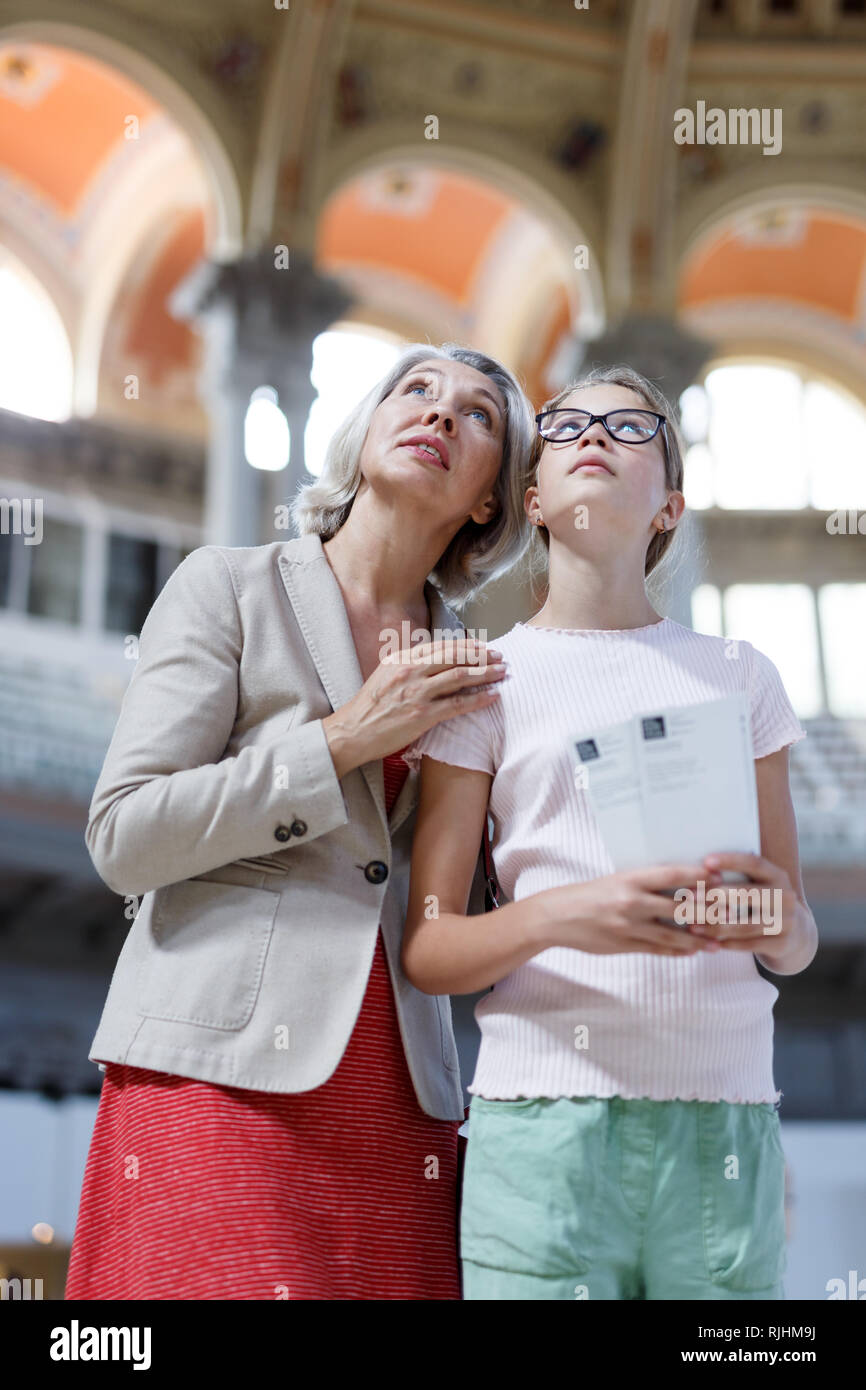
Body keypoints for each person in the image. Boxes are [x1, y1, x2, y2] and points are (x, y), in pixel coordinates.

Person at [64, 342, 536, 1300]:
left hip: (402, 1106)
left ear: (492, 499)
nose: (441, 416)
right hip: (218, 1076)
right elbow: (124, 835)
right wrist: (340, 742)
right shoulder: (227, 585)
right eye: (417, 392)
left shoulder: (479, 675)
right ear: (365, 432)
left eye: (478, 414)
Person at [400, 363, 818, 1301]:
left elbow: (796, 940)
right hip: (539, 1129)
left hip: (725, 1123)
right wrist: (571, 913)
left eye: (632, 428)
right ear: (535, 497)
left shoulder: (741, 675)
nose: (596, 435)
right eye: (568, 425)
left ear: (670, 506)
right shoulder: (482, 682)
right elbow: (431, 946)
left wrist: (764, 918)